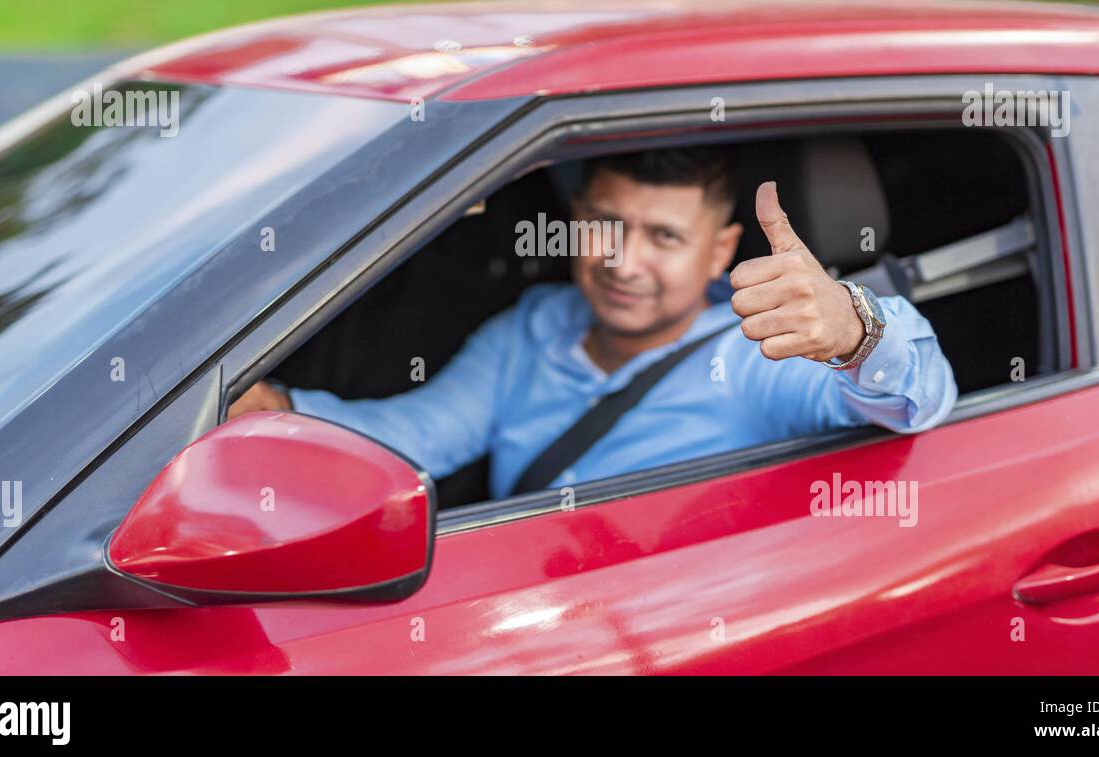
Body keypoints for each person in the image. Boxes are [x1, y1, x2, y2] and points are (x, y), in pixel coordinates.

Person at [229, 149, 957, 498]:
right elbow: (424, 432)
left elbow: (916, 401)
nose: (623, 262)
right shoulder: (536, 325)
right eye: (605, 227)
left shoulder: (760, 354)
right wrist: (284, 413)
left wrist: (855, 328)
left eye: (664, 238)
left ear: (721, 250)